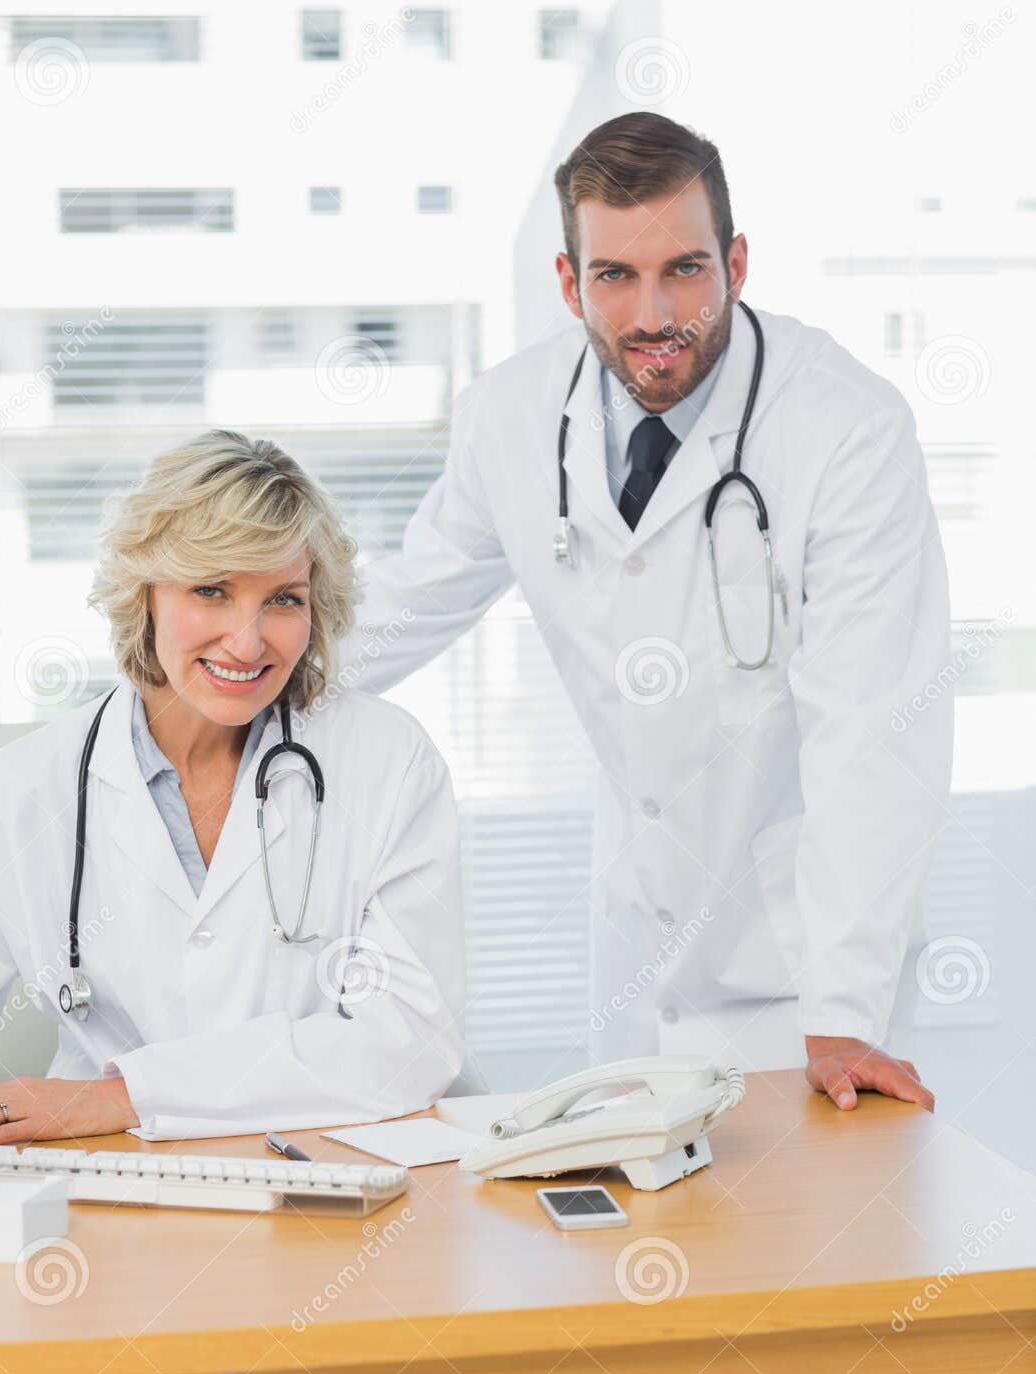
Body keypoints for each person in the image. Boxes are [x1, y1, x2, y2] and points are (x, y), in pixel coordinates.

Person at [334, 112, 953, 1112]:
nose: (654, 311)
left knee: (813, 1248)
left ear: (736, 265)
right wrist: (222, 677)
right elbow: (404, 605)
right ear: (570, 283)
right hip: (637, 951)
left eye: (685, 270)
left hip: (809, 969)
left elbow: (872, 729)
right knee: (642, 1239)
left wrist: (843, 1009)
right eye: (615, 276)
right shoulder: (510, 415)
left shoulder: (844, 426)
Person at [0, 430, 464, 1144]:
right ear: (144, 596)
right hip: (99, 1176)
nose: (247, 641)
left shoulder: (388, 761)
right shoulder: (20, 792)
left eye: (283, 600)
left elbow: (410, 1041)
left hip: (323, 1164)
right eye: (211, 590)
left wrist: (129, 1095)